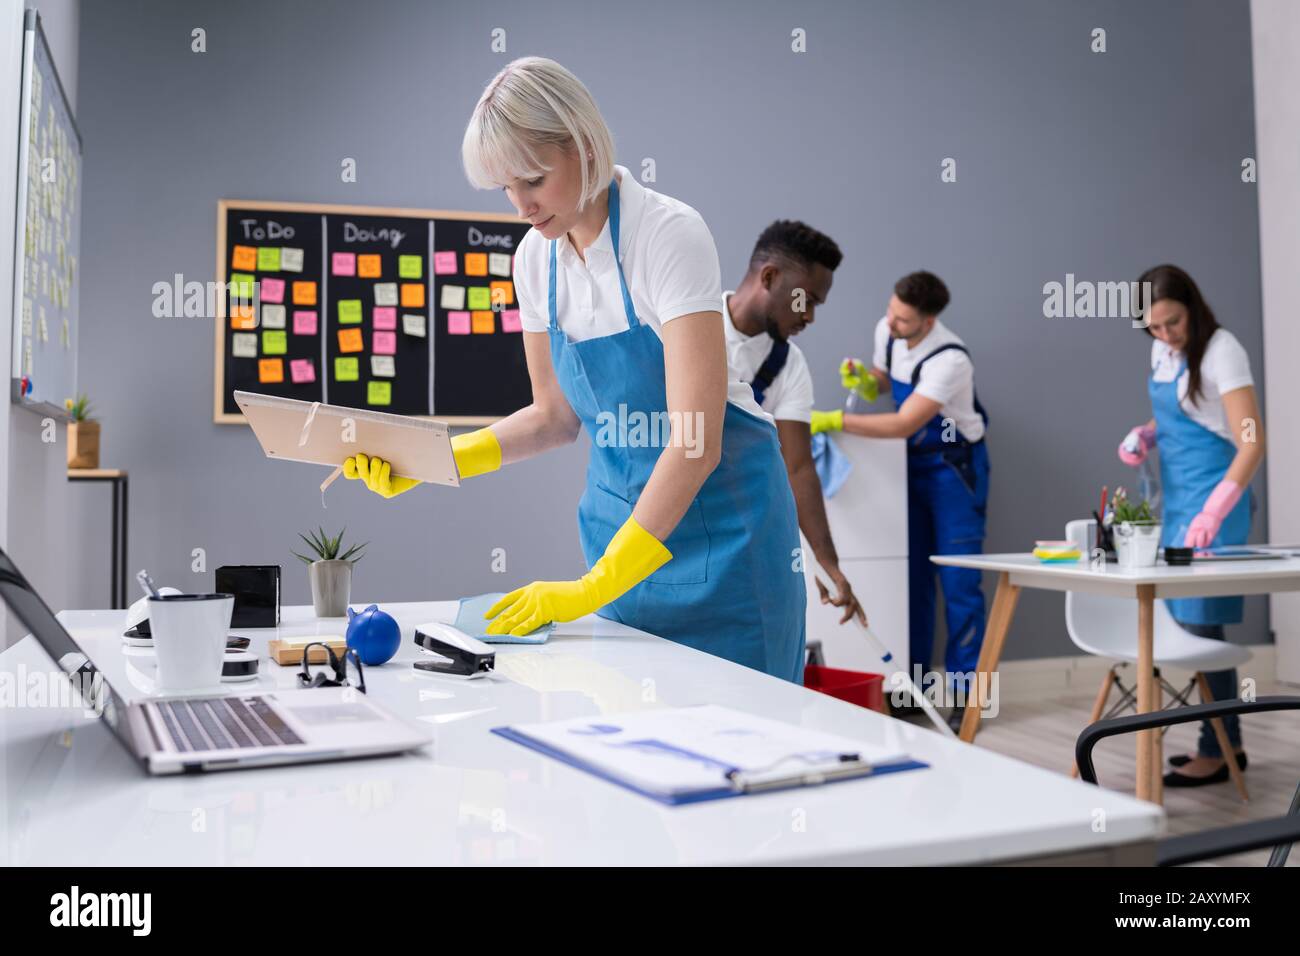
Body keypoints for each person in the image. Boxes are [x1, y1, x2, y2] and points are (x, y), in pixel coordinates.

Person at [341, 57, 806, 682]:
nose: (521, 207)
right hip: (624, 542)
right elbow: (553, 418)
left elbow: (695, 443)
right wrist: (431, 462)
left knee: (747, 744)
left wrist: (592, 587)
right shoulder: (534, 261)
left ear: (585, 146)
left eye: (533, 179)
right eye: (505, 189)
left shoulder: (667, 235)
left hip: (729, 540)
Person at [810, 271, 988, 728]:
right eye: (891, 312)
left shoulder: (952, 360)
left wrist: (833, 420)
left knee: (959, 586)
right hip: (908, 467)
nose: (891, 323)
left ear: (928, 322)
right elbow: (889, 380)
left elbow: (904, 423)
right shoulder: (888, 330)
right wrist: (867, 382)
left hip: (954, 471)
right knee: (913, 583)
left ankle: (969, 699)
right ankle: (913, 690)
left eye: (903, 320)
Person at [1119, 264, 1264, 787]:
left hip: (1218, 502)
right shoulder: (1161, 349)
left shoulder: (1223, 350)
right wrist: (1147, 435)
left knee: (1204, 624)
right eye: (1153, 328)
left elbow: (1250, 439)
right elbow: (1190, 413)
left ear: (1193, 308)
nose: (1164, 335)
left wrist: (1216, 509)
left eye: (1173, 323)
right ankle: (1223, 745)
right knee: (1188, 622)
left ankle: (1220, 749)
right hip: (1179, 502)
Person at [723, 220, 866, 626]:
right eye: (809, 300)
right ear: (769, 277)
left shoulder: (789, 365)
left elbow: (799, 468)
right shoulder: (692, 328)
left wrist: (828, 563)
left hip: (739, 525)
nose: (812, 317)